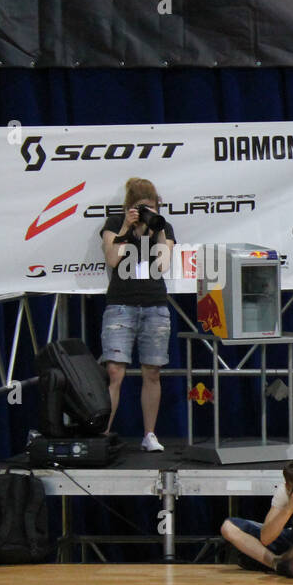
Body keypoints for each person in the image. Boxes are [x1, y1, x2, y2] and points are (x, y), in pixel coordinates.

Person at [99, 178, 175, 451]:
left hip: (155, 304)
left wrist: (157, 228)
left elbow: (164, 264)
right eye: (141, 208)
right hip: (121, 303)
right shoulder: (114, 224)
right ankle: (103, 432)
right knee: (114, 371)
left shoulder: (162, 227)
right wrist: (126, 227)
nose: (146, 213)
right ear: (129, 207)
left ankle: (149, 435)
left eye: (151, 208)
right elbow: (113, 259)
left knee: (152, 371)